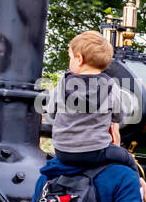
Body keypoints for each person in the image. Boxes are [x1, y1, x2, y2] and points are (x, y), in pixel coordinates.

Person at [44, 30, 140, 170]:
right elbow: (119, 117)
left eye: (70, 57)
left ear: (79, 59)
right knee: (129, 161)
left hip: (63, 151)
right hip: (96, 152)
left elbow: (51, 113)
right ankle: (141, 189)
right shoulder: (111, 86)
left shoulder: (63, 84)